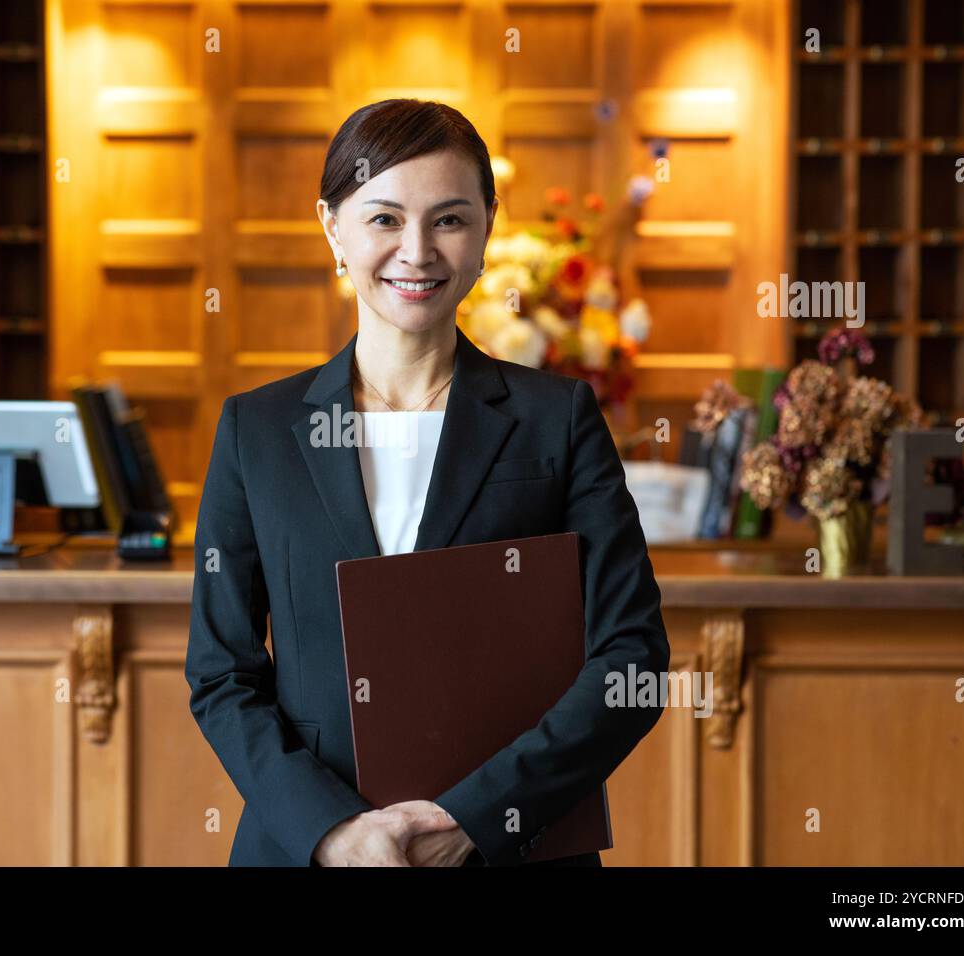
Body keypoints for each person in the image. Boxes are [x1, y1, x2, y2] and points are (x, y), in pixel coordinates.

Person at [185, 98, 669, 866]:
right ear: (331, 228)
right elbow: (221, 673)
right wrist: (337, 833)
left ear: (485, 228)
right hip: (307, 850)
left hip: (516, 847)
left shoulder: (558, 417)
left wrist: (477, 818)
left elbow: (631, 656)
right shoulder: (256, 431)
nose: (417, 252)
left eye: (448, 219)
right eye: (383, 219)